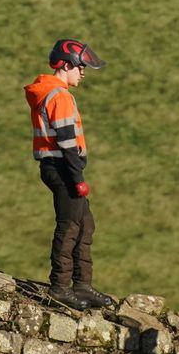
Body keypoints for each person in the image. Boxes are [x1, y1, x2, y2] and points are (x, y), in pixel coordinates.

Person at [25, 39, 116, 310]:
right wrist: (78, 179)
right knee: (70, 226)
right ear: (66, 65)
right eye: (81, 67)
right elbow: (66, 142)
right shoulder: (60, 96)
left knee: (84, 222)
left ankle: (82, 285)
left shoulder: (50, 92)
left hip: (57, 166)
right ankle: (61, 287)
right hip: (63, 167)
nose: (84, 72)